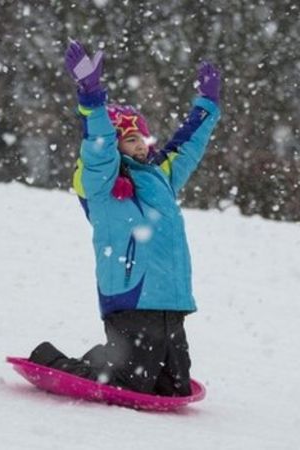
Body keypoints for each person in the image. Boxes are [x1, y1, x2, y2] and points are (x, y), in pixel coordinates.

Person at [29, 40, 221, 397]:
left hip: (171, 301)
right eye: (129, 139)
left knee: (174, 387)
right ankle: (47, 358)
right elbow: (98, 147)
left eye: (141, 138)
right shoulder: (100, 184)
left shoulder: (158, 176)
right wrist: (92, 100)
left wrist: (207, 105)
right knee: (128, 381)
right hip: (134, 297)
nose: (139, 146)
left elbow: (187, 146)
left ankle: (101, 362)